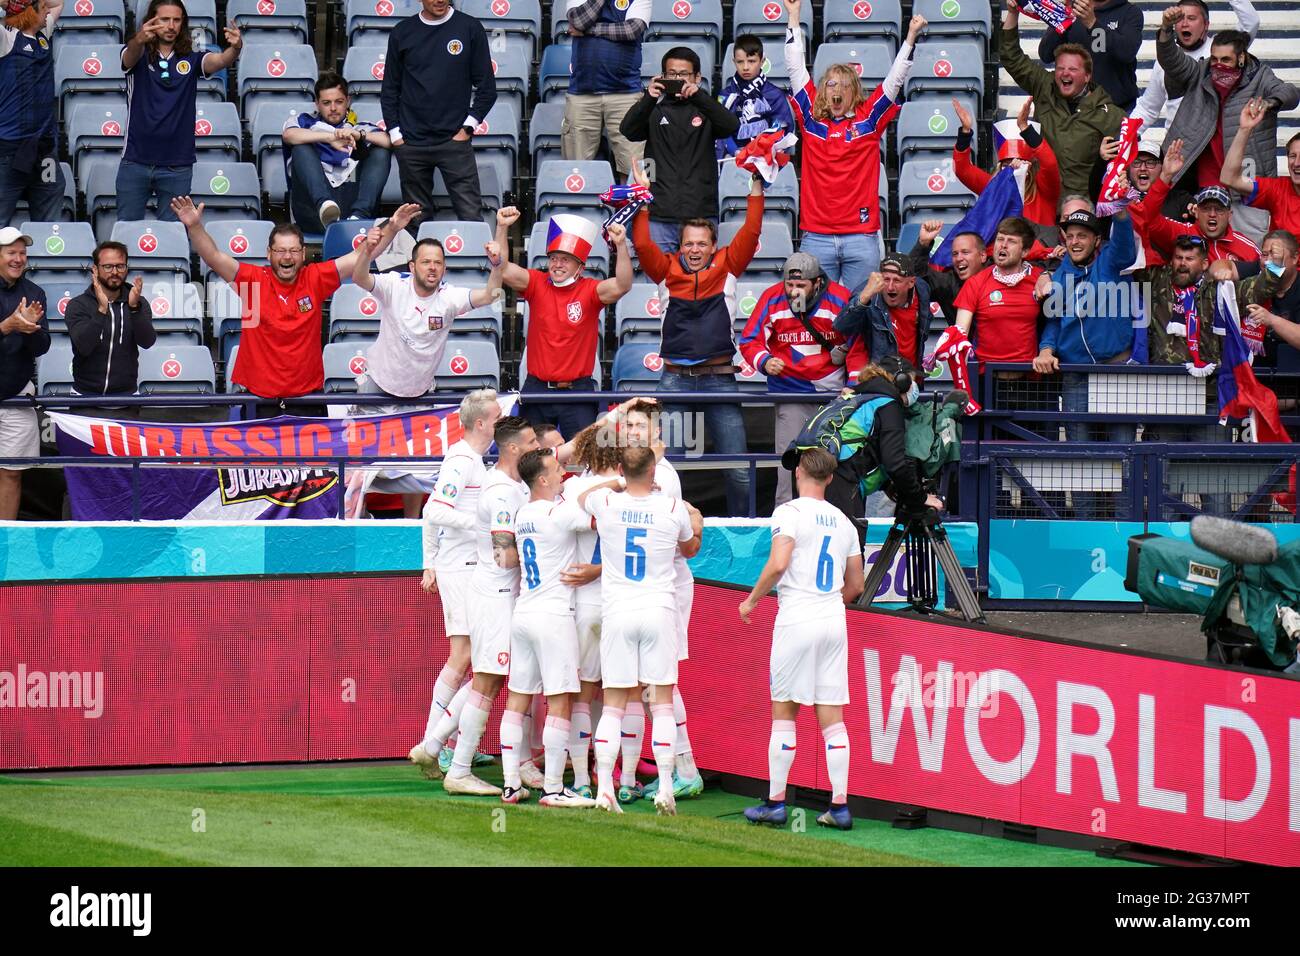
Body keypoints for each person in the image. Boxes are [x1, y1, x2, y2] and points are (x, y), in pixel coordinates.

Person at [172, 195, 411, 417]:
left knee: (311, 463)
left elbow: (360, 255)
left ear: (304, 253)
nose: (287, 257)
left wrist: (392, 227)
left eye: (294, 250)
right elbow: (213, 256)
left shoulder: (315, 278)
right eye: (281, 251)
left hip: (307, 398)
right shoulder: (251, 280)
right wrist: (194, 226)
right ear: (269, 254)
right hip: (259, 399)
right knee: (258, 465)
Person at [738, 446, 864, 830]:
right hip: (833, 620)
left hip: (797, 617)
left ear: (798, 475)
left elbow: (779, 563)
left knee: (785, 713)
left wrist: (751, 600)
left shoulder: (788, 513)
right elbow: (855, 585)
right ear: (829, 478)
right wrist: (826, 602)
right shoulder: (844, 521)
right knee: (832, 718)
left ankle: (776, 802)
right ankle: (839, 806)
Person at [349, 208, 504, 516]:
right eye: (426, 262)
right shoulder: (394, 286)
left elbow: (492, 293)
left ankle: (412, 525)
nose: (432, 268)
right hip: (376, 388)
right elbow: (358, 276)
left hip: (418, 395)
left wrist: (498, 256)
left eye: (438, 263)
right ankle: (356, 519)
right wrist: (367, 250)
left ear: (444, 268)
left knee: (417, 467)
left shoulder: (449, 298)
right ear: (412, 265)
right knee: (360, 465)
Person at [630, 160, 763, 517]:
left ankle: (743, 531)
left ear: (712, 246)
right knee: (665, 469)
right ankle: (665, 526)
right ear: (680, 245)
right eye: (689, 243)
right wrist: (643, 198)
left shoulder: (728, 266)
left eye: (701, 244)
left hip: (720, 379)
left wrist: (755, 186)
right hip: (674, 380)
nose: (694, 250)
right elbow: (641, 243)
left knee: (738, 471)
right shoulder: (665, 269)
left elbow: (750, 232)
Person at [576, 444, 702, 815]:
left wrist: (617, 481)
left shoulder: (607, 504)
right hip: (658, 609)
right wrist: (699, 524)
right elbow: (690, 547)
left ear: (620, 468)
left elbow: (583, 497)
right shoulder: (671, 507)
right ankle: (665, 787)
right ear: (654, 472)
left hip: (618, 610)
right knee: (661, 702)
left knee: (613, 705)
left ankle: (603, 789)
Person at [784, 0, 924, 292]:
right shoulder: (811, 119)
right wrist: (794, 18)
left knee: (863, 312)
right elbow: (795, 68)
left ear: (854, 92)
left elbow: (895, 81)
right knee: (819, 315)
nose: (837, 91)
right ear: (823, 90)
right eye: (831, 85)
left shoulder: (869, 120)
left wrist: (910, 37)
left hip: (861, 237)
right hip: (817, 236)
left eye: (844, 86)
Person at [441, 415, 541, 797]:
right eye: (531, 441)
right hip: (495, 598)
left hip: (503, 597)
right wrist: (543, 551)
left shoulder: (515, 484)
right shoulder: (500, 492)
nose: (537, 447)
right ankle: (459, 768)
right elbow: (503, 556)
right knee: (486, 682)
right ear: (514, 448)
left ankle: (440, 749)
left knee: (495, 681)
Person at [409, 388, 503, 780]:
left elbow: (433, 511)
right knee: (464, 656)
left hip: (461, 564)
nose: (501, 423)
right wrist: (480, 528)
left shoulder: (471, 460)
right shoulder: (463, 460)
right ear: (480, 423)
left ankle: (445, 742)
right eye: (497, 417)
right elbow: (436, 510)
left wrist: (429, 560)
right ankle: (438, 745)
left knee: (468, 655)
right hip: (460, 566)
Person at [497, 448, 597, 807]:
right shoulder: (560, 511)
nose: (563, 473)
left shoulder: (523, 513)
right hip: (554, 616)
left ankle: (511, 783)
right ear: (541, 479)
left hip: (524, 612)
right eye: (557, 469)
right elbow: (602, 520)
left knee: (517, 699)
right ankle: (554, 788)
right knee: (560, 701)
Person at [620, 398, 704, 803]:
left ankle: (685, 770)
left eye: (640, 427)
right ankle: (667, 771)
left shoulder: (661, 476)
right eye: (629, 426)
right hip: (652, 587)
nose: (633, 432)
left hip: (667, 585)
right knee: (649, 682)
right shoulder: (637, 473)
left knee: (660, 681)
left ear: (657, 433)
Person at [738, 252, 863, 507]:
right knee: (787, 462)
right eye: (790, 285)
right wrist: (764, 361)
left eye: (801, 286)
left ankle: (835, 513)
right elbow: (750, 339)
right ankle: (785, 516)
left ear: (817, 282)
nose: (794, 291)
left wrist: (852, 384)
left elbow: (858, 344)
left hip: (833, 392)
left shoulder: (839, 298)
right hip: (790, 390)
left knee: (833, 459)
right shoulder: (772, 297)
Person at [495, 206, 632, 437]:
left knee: (581, 458)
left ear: (581, 266)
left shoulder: (590, 290)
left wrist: (620, 245)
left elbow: (623, 284)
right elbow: (503, 268)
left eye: (566, 260)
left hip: (577, 391)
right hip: (537, 387)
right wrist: (501, 227)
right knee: (533, 456)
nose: (558, 264)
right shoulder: (536, 283)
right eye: (554, 258)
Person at [1035, 203, 1137, 516]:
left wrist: (1120, 211)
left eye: (1083, 235)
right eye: (1071, 235)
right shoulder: (1061, 271)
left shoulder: (1112, 260)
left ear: (1096, 240)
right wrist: (1046, 349)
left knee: (1122, 456)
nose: (1076, 241)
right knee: (1081, 459)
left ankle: (1125, 531)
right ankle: (1084, 526)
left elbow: (1125, 245)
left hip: (1116, 373)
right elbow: (1053, 320)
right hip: (1076, 376)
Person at [1156, 18, 1298, 240]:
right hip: (1206, 184)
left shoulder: (1260, 76)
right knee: (1203, 252)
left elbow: (1290, 93)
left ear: (1241, 58)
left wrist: (1269, 103)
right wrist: (1165, 30)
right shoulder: (1202, 71)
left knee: (1250, 251)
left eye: (1225, 59)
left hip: (1247, 183)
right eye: (1214, 59)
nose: (1218, 65)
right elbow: (1172, 61)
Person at [117, 0, 242, 222]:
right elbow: (128, 57)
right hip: (136, 160)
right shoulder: (137, 51)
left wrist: (235, 49)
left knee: (172, 235)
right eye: (164, 19)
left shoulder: (191, 55)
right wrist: (138, 39)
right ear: (151, 21)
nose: (171, 25)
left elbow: (220, 60)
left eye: (176, 20)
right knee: (127, 231)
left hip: (177, 164)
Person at [381, 0, 496, 224]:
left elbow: (487, 89)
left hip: (455, 142)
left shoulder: (470, 28)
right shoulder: (402, 32)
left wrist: (467, 128)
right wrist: (396, 135)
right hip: (411, 144)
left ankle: (472, 259)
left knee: (471, 217)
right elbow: (390, 89)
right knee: (417, 223)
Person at [618, 46, 740, 252]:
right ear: (662, 76)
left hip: (700, 215)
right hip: (659, 215)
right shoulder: (653, 109)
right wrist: (649, 97)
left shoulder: (706, 108)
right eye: (671, 74)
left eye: (684, 75)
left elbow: (731, 126)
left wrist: (698, 96)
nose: (677, 79)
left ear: (697, 77)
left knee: (700, 282)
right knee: (659, 281)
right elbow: (628, 130)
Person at [1000, 0, 1124, 199]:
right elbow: (1011, 57)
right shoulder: (1044, 85)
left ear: (1087, 76)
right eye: (1060, 68)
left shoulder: (1111, 115)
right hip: (1043, 202)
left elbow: (1126, 163)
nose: (1065, 73)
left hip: (1083, 209)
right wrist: (1013, 13)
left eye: (1073, 69)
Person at [283, 73, 392, 233]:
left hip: (351, 205)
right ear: (317, 104)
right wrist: (330, 137)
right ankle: (324, 204)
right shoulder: (304, 121)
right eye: (326, 103)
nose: (333, 108)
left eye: (339, 102)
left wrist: (360, 135)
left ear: (347, 101)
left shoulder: (358, 127)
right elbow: (289, 136)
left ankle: (359, 216)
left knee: (380, 151)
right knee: (300, 148)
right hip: (313, 211)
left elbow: (390, 141)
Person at [1131, 0, 1259, 131]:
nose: (1185, 24)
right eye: (1179, 19)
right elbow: (1147, 108)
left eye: (1192, 18)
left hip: (1214, 144)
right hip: (1176, 146)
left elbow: (1251, 22)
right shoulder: (1164, 61)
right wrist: (1125, 138)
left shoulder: (1222, 50)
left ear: (1206, 25)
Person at [562, 0, 650, 180]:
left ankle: (634, 208)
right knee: (576, 169)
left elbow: (631, 30)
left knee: (634, 169)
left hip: (626, 93)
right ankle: (579, 207)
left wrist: (590, 30)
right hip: (582, 95)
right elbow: (578, 21)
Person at [64, 241, 156, 404]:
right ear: (95, 269)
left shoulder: (138, 302)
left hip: (126, 398)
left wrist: (134, 309)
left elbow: (147, 342)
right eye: (108, 267)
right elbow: (84, 346)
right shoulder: (78, 305)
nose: (115, 272)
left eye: (120, 266)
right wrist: (101, 310)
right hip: (85, 397)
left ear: (126, 268)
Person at [1137, 144, 1261, 264]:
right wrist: (1166, 175)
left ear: (1229, 215)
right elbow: (1148, 217)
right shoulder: (1182, 233)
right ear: (1196, 212)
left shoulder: (1247, 247)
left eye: (1219, 209)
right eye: (1206, 209)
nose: (1212, 214)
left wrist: (1237, 271)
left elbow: (1270, 275)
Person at [0, 0, 66, 227]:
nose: (48, 11)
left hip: (43, 148)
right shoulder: (5, 38)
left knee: (51, 198)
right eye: (42, 8)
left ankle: (44, 258)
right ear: (29, 13)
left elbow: (58, 3)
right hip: (10, 148)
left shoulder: (42, 33)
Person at [952, 99, 1060, 232]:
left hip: (1039, 250)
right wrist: (965, 132)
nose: (1013, 167)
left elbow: (1049, 163)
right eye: (1006, 164)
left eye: (1018, 162)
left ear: (1030, 166)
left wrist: (1025, 129)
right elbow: (962, 169)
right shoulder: (993, 187)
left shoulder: (1044, 192)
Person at [0, 226, 48, 520]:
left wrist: (30, 330)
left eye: (22, 253)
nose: (18, 259)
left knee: (12, 474)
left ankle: (3, 545)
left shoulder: (34, 292)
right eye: (11, 253)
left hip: (16, 396)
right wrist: (8, 326)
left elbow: (43, 346)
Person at [952, 217, 1045, 366]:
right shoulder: (975, 283)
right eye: (1000, 239)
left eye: (1011, 241)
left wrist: (1049, 274)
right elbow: (959, 336)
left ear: (1025, 252)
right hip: (986, 378)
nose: (1003, 245)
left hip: (1028, 378)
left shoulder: (1040, 278)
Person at [1036, 0, 1142, 112]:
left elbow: (1126, 53)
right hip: (1073, 109)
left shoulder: (1130, 12)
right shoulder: (1072, 10)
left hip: (1116, 107)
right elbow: (1045, 54)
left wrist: (1093, 24)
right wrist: (1062, 19)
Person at [835, 253, 934, 371]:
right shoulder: (867, 294)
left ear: (911, 282)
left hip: (913, 375)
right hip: (881, 377)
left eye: (897, 280)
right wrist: (865, 296)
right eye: (886, 279)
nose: (890, 287)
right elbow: (841, 327)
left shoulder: (922, 290)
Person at [1221, 99, 1300, 241]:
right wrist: (1245, 130)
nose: (1297, 163)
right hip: (1279, 263)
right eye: (1292, 156)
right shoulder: (1278, 188)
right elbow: (1229, 178)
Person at [715, 34, 796, 164]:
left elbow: (783, 129)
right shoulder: (726, 95)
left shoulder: (774, 94)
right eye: (740, 62)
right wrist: (736, 151)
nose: (745, 67)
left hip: (767, 158)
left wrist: (763, 151)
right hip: (732, 158)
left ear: (762, 61)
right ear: (734, 62)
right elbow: (721, 130)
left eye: (751, 61)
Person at [906, 221, 988, 323]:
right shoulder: (948, 283)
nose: (959, 258)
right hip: (961, 338)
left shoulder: (999, 277)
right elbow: (912, 279)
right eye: (955, 254)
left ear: (983, 256)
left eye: (965, 252)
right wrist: (923, 244)